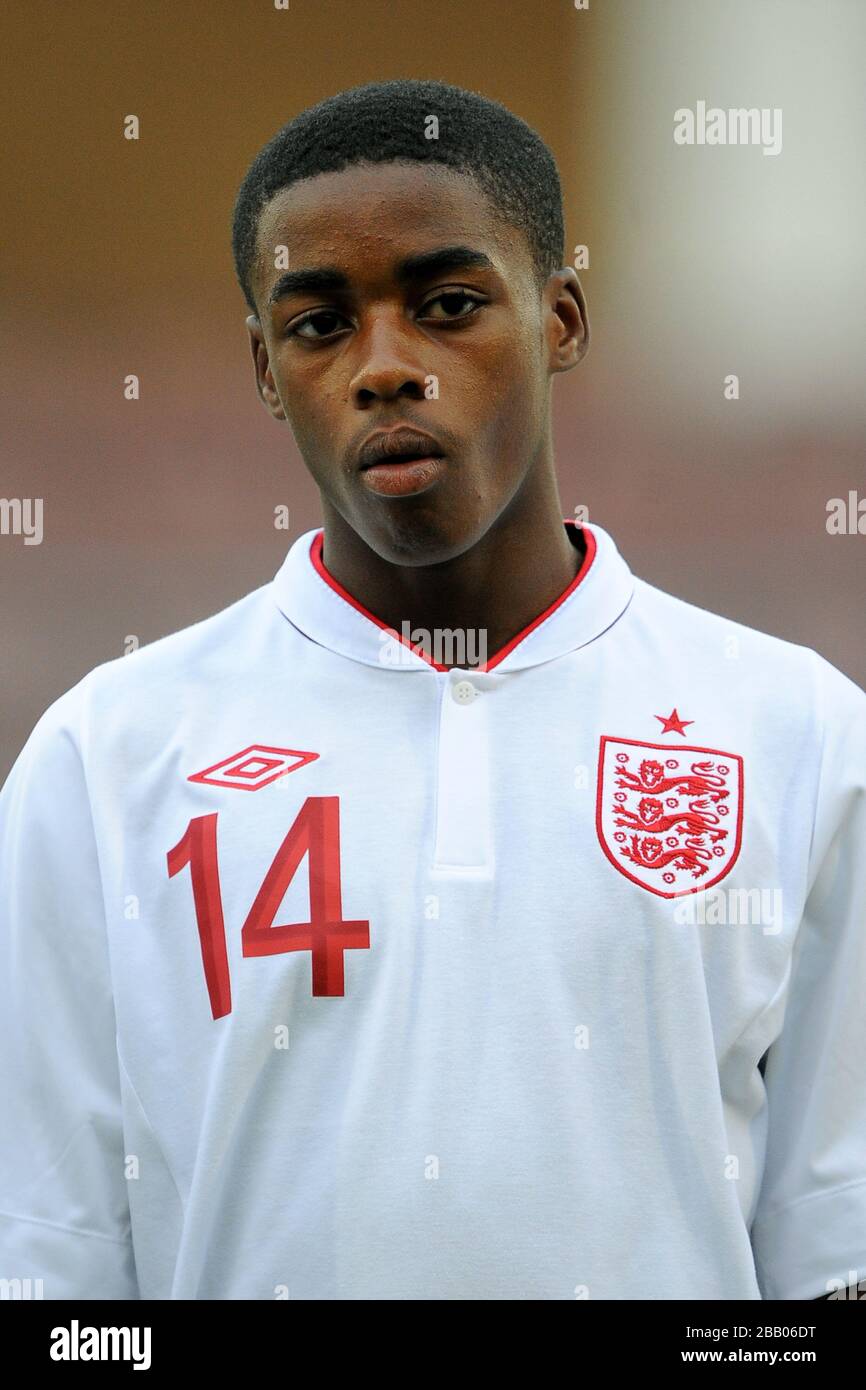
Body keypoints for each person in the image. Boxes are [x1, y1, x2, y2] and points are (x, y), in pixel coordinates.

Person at [1, 79, 863, 1301]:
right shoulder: (107, 753)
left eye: (448, 306)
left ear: (559, 318)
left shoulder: (797, 732)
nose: (384, 369)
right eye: (317, 326)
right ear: (263, 367)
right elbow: (52, 1256)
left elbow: (833, 1246)